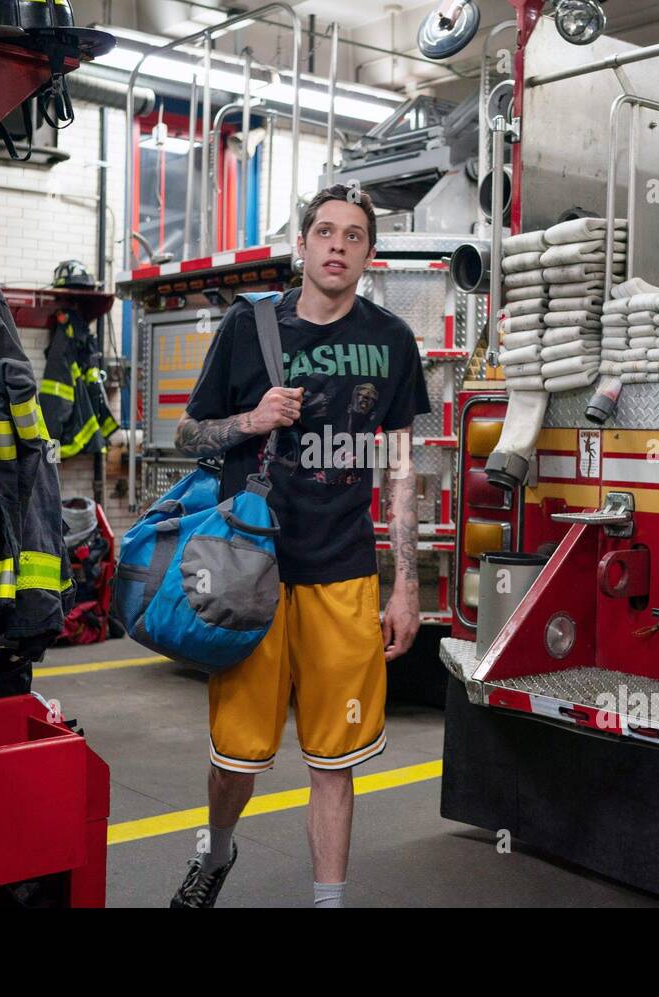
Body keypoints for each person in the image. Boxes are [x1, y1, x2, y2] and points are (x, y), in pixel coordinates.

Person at [168, 184, 431, 907]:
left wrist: (404, 585)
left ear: (368, 253)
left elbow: (402, 465)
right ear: (302, 246)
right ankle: (217, 849)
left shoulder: (390, 341)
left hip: (343, 574)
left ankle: (329, 902)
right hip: (249, 572)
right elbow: (188, 437)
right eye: (325, 232)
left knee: (335, 761)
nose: (338, 245)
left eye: (353, 234)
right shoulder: (247, 328)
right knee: (237, 761)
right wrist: (251, 420)